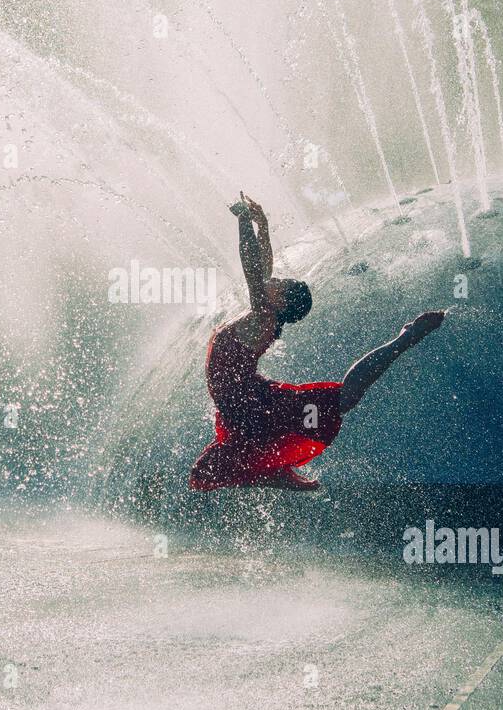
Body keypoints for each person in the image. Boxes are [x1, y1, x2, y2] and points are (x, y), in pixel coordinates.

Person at [189, 194, 445, 491]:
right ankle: (277, 469)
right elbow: (263, 270)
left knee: (343, 399)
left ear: (281, 300)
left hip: (248, 402)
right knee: (224, 463)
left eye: (280, 284)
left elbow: (253, 270)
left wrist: (245, 220)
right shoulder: (265, 313)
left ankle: (407, 336)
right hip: (243, 402)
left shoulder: (262, 318)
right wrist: (264, 226)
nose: (274, 280)